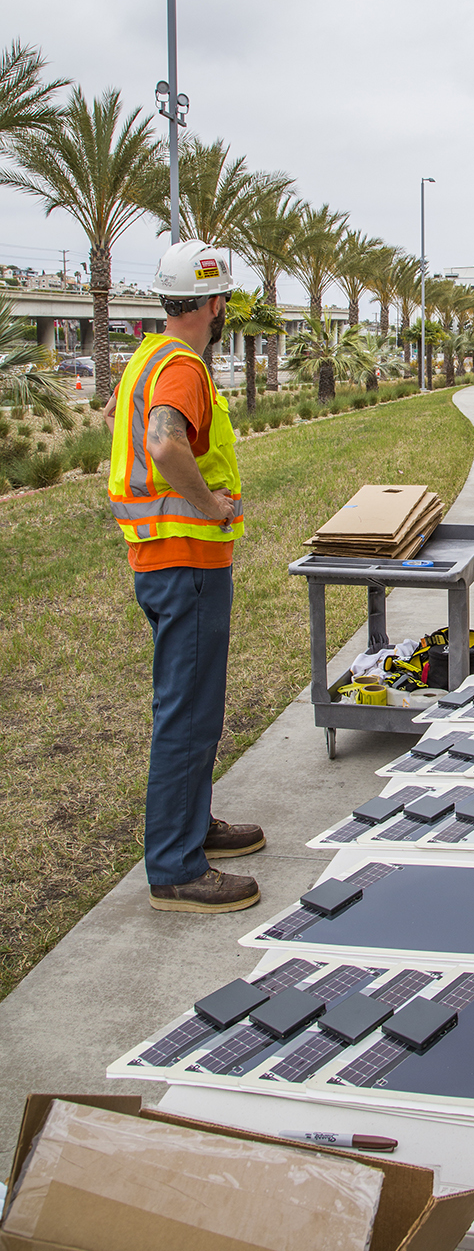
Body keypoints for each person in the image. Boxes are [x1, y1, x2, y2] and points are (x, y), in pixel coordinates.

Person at [104, 239, 264, 914]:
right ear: (212, 303)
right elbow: (164, 442)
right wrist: (208, 505)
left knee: (192, 705)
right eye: (222, 299)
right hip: (186, 561)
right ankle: (175, 867)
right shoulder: (184, 367)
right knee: (188, 713)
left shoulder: (147, 356)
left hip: (161, 559)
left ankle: (193, 826)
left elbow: (120, 419)